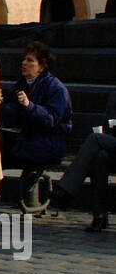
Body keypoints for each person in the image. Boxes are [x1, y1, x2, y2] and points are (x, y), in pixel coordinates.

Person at [0, 42, 72, 210]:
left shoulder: (55, 88)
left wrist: (30, 106)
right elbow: (13, 112)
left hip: (48, 144)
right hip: (28, 139)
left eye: (30, 60)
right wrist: (1, 104)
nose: (24, 63)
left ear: (41, 66)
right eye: (24, 59)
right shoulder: (23, 84)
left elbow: (51, 120)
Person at [50, 90, 116, 232]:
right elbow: (109, 124)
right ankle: (100, 215)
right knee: (100, 157)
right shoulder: (114, 95)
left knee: (94, 139)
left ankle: (65, 191)